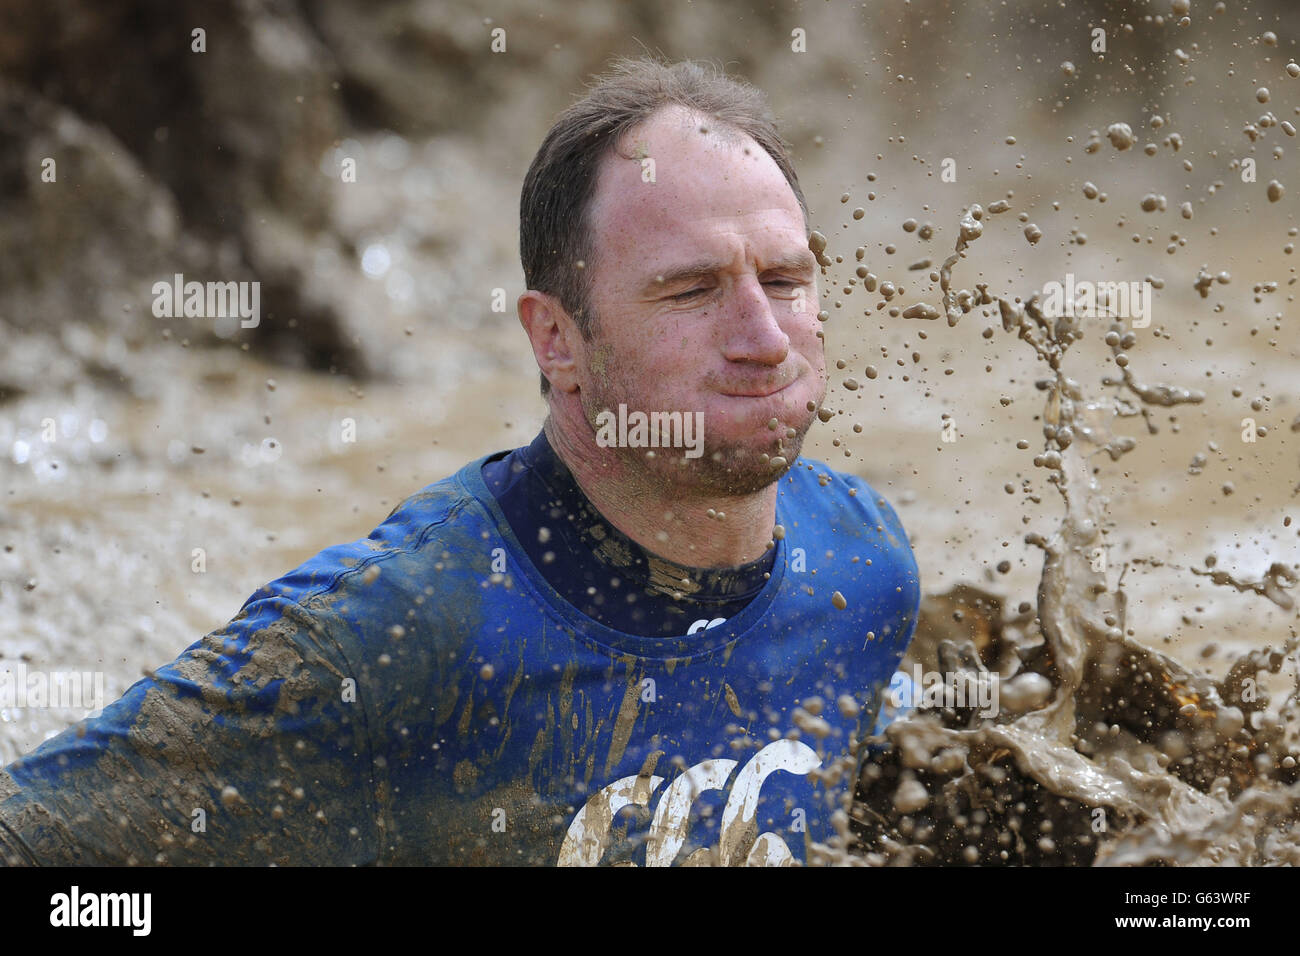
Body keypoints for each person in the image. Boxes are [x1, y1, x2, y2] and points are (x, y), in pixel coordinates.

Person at [0, 56, 920, 866]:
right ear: (556, 339)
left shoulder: (863, 570)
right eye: (692, 290)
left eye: (787, 280)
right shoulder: (390, 637)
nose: (764, 338)